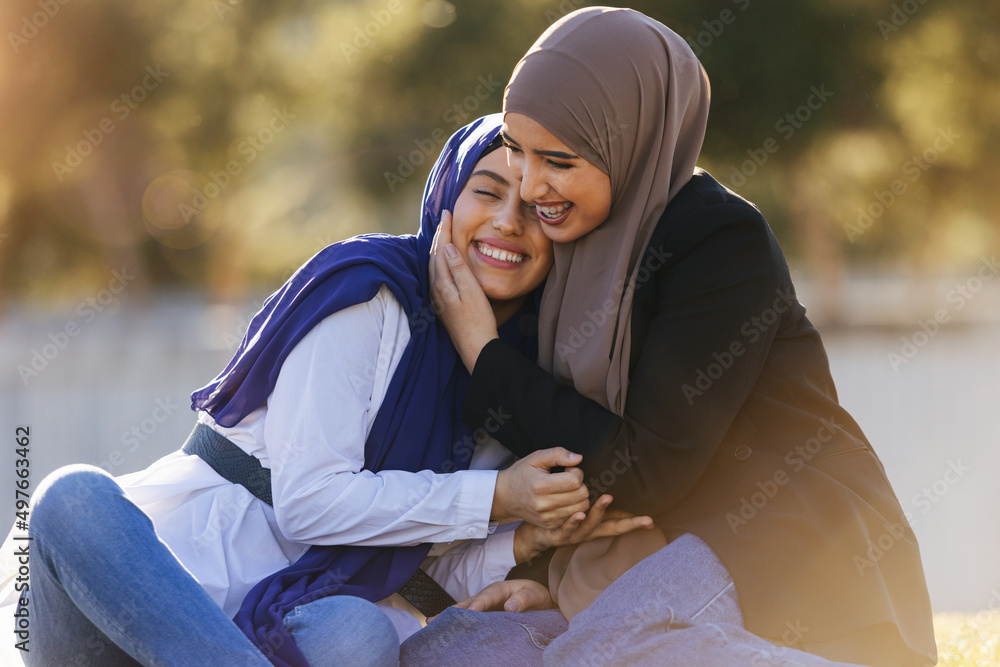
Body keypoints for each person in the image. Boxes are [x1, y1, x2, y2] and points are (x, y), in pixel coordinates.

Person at [0, 115, 650, 667]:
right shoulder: (371, 291)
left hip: (277, 622)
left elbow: (419, 560)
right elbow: (311, 501)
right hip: (161, 593)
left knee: (359, 631)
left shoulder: (510, 375)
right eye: (488, 191)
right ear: (447, 194)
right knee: (70, 500)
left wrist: (521, 540)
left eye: (536, 210)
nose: (509, 222)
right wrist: (499, 495)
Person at [408, 8, 937, 667]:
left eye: (559, 160)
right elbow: (579, 446)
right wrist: (551, 577)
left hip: (781, 540)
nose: (529, 183)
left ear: (632, 140)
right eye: (516, 147)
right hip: (644, 547)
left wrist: (482, 352)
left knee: (603, 651)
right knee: (450, 650)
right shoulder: (566, 243)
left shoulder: (718, 240)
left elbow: (646, 465)